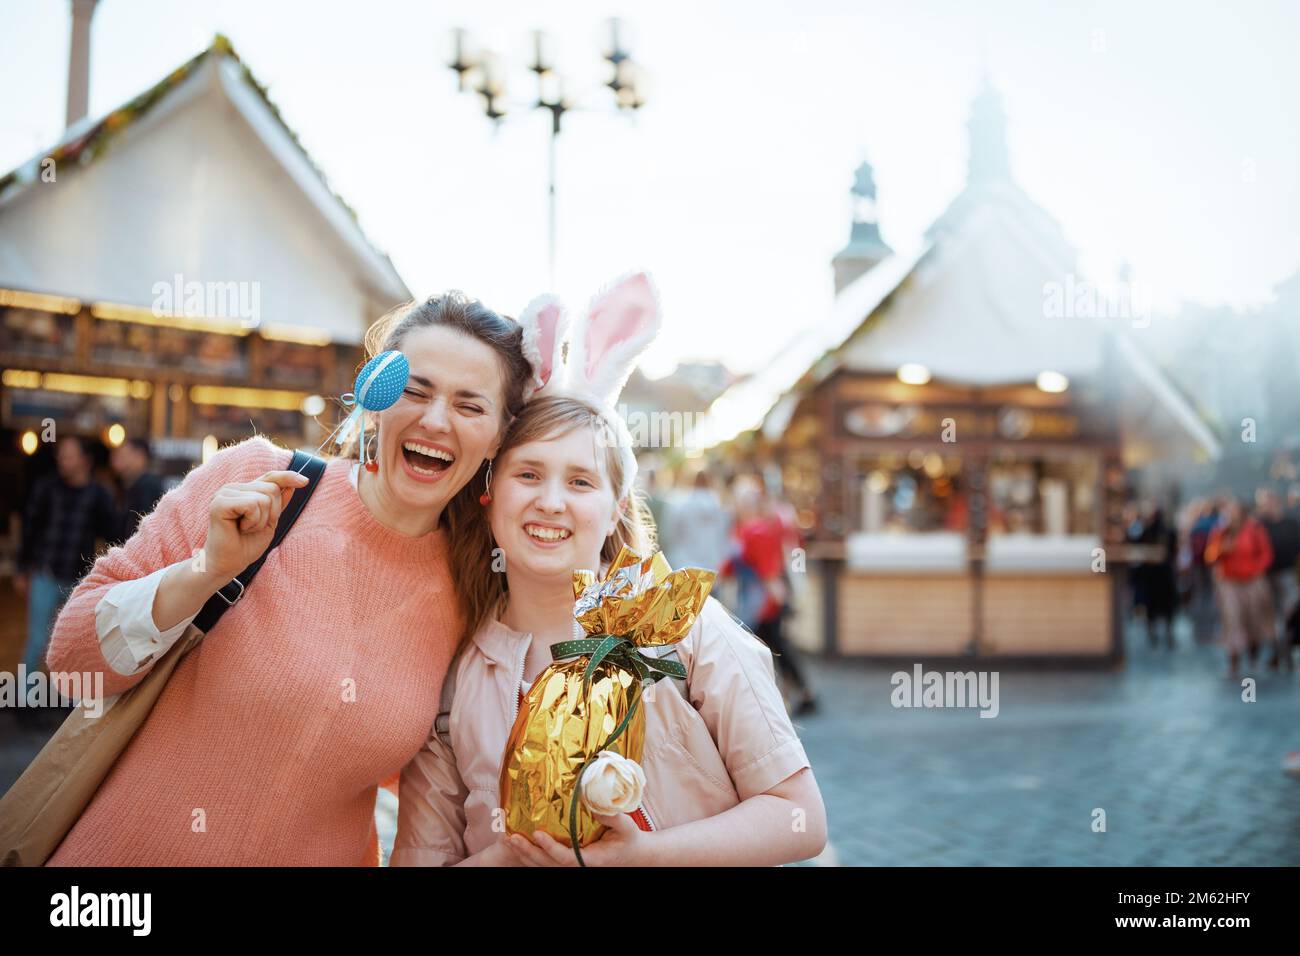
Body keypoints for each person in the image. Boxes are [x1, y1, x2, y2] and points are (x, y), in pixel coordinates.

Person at [40, 291, 533, 866]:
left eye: (470, 406)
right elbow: (72, 664)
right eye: (414, 390)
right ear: (374, 393)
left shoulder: (476, 588)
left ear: (499, 436)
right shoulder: (258, 479)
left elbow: (440, 777)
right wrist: (206, 571)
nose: (434, 419)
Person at [392, 276, 826, 866]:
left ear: (617, 505)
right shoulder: (458, 673)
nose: (551, 501)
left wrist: (638, 857)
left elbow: (797, 817)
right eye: (528, 475)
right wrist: (503, 857)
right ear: (489, 491)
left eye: (580, 481)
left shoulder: (687, 631)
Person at [17, 434, 117, 676]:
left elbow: (112, 535)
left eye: (69, 455)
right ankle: (22, 698)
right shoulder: (46, 487)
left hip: (78, 581)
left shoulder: (99, 494)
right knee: (37, 640)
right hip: (46, 575)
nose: (63, 460)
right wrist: (22, 569)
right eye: (61, 455)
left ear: (85, 460)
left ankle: (67, 701)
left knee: (71, 644)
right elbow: (29, 530)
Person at [724, 479, 819, 716]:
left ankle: (791, 695)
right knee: (773, 649)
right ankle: (791, 695)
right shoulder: (751, 528)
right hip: (756, 600)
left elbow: (765, 569)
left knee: (769, 650)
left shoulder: (756, 530)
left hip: (760, 602)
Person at [1205, 497, 1275, 678]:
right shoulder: (1220, 532)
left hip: (1251, 581)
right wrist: (1222, 549)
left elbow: (1266, 554)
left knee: (1253, 619)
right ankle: (1233, 660)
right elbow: (1210, 556)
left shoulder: (1255, 530)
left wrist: (1257, 570)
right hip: (1229, 582)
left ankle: (1253, 656)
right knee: (1232, 619)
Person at [1255, 487, 1299, 669]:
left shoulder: (1291, 523)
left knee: (1289, 614)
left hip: (1287, 573)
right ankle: (1276, 651)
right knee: (1270, 617)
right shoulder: (1259, 525)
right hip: (1265, 576)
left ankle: (1286, 649)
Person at [662, 469, 731, 573]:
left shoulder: (682, 504)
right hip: (712, 564)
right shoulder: (719, 506)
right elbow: (724, 535)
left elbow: (671, 533)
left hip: (686, 563)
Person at [110, 436, 166, 543]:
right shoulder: (130, 487)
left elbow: (142, 531)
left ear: (140, 457)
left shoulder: (147, 486)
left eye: (123, 456)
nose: (115, 461)